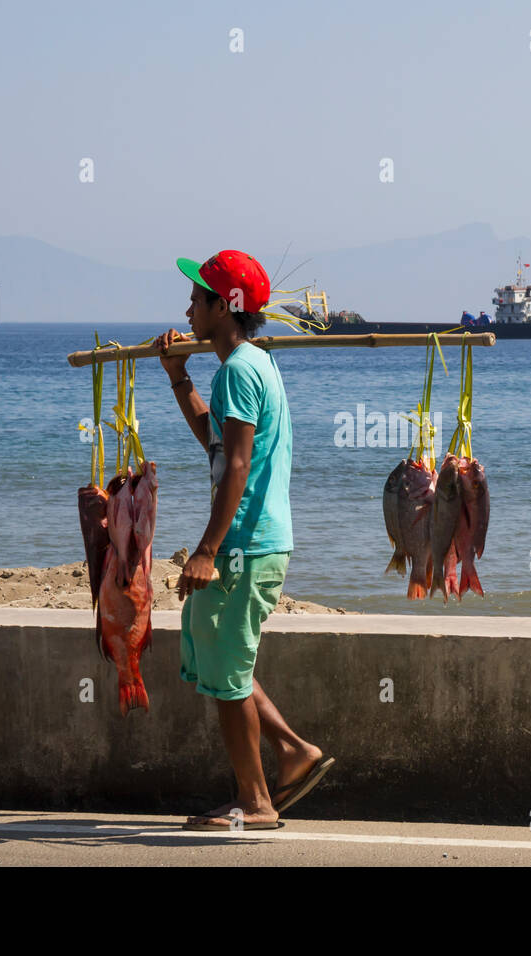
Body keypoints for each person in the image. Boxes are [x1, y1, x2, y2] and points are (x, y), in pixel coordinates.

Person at [157, 249, 334, 830]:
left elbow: (236, 467)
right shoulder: (253, 364)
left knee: (228, 674)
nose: (187, 306)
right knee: (220, 660)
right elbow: (218, 441)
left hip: (244, 545)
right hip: (251, 541)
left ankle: (255, 803)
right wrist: (179, 377)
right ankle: (293, 752)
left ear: (222, 308)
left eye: (197, 296)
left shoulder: (237, 369)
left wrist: (207, 550)